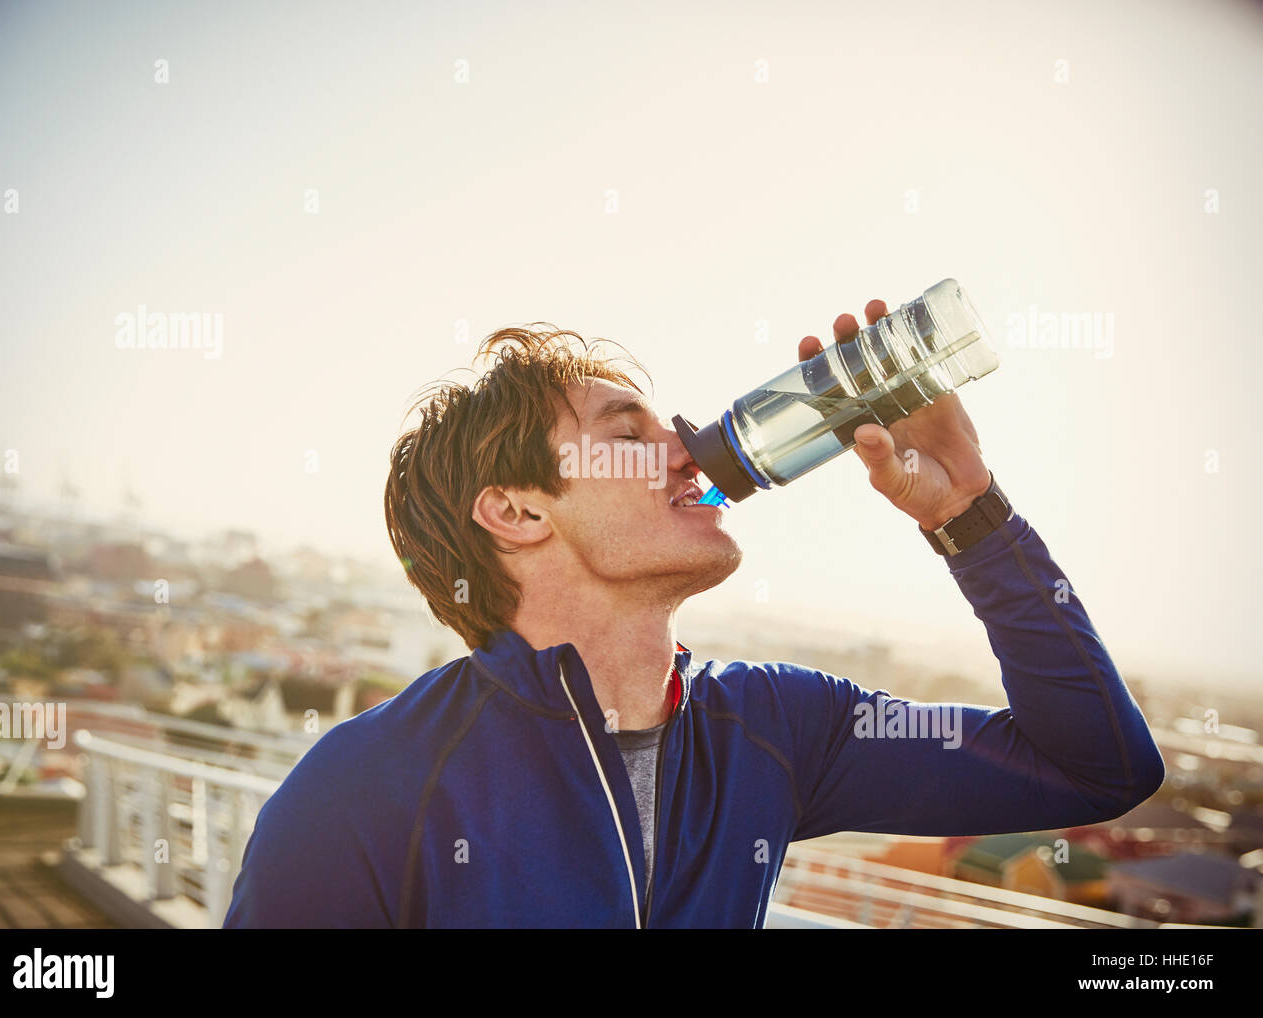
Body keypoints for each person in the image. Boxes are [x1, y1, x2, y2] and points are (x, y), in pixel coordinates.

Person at [224, 301, 1164, 928]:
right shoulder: (361, 788)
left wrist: (970, 513)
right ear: (516, 511)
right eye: (629, 438)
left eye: (672, 431)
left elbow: (1097, 769)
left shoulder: (777, 729)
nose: (685, 456)